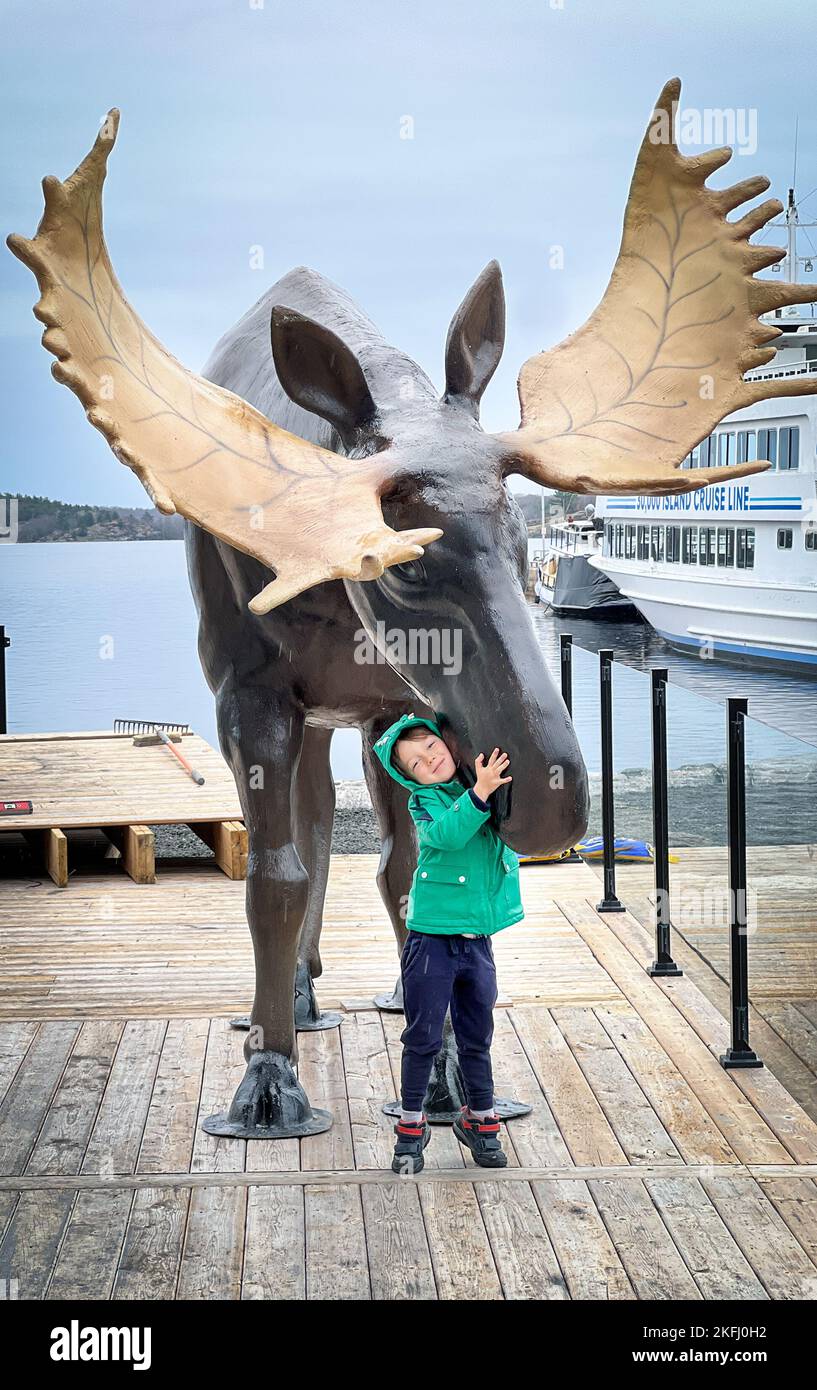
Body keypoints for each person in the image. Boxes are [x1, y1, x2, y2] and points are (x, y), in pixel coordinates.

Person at [372, 713, 524, 1174]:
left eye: (431, 748)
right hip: (431, 943)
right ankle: (411, 1128)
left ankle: (480, 1120)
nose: (429, 761)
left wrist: (487, 786)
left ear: (448, 743)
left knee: (476, 1038)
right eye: (416, 763)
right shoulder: (426, 802)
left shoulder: (483, 785)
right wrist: (479, 791)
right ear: (408, 777)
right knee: (422, 1038)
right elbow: (448, 835)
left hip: (477, 941)